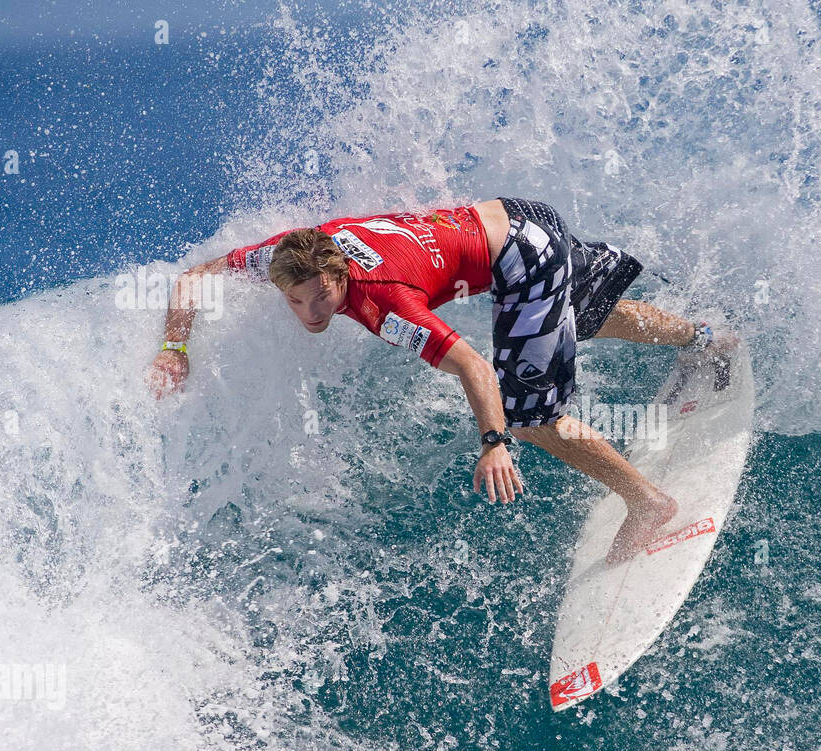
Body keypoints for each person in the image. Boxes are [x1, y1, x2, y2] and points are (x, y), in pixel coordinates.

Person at [147, 197, 736, 563]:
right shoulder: (288, 253)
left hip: (525, 260)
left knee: (530, 418)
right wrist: (175, 348)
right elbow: (195, 276)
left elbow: (473, 367)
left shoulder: (383, 303)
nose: (311, 314)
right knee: (579, 315)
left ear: (339, 272)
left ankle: (648, 503)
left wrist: (494, 442)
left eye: (322, 297)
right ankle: (706, 341)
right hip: (520, 216)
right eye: (296, 302)